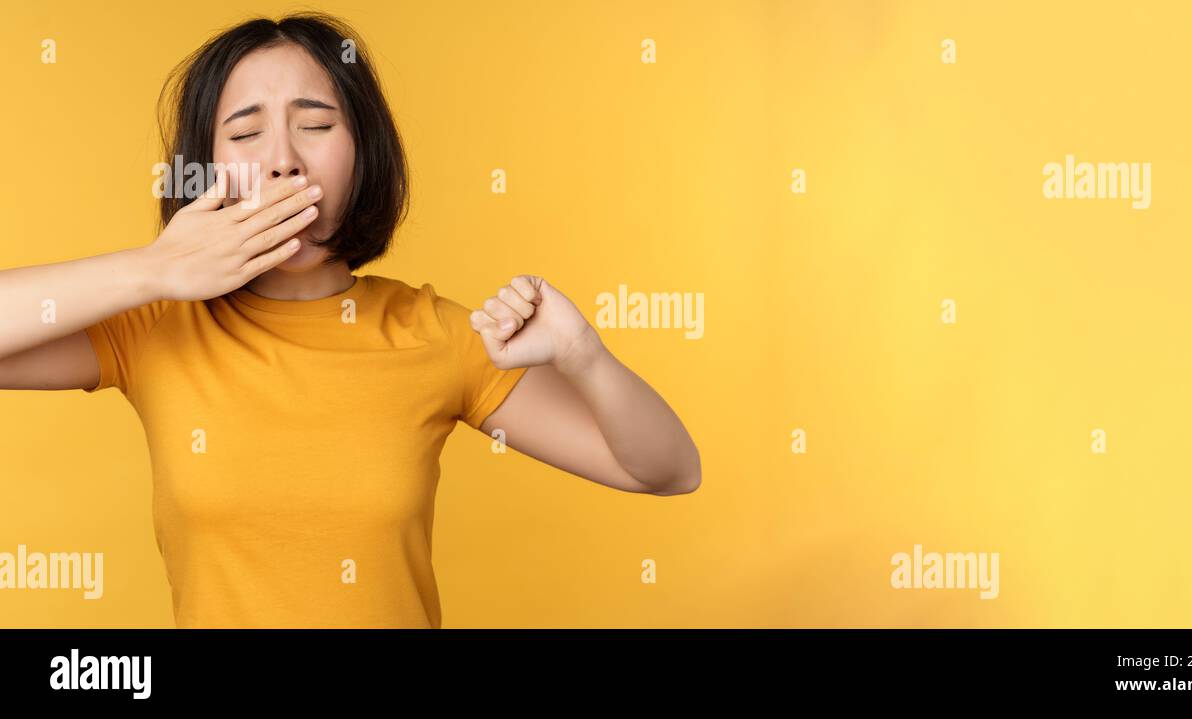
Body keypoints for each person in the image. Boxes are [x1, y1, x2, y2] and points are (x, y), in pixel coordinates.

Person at [0, 12, 701, 628]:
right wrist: (156, 268)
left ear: (363, 151)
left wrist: (583, 354)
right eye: (245, 133)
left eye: (316, 126)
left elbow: (668, 469)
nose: (283, 162)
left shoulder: (435, 334)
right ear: (204, 168)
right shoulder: (153, 325)